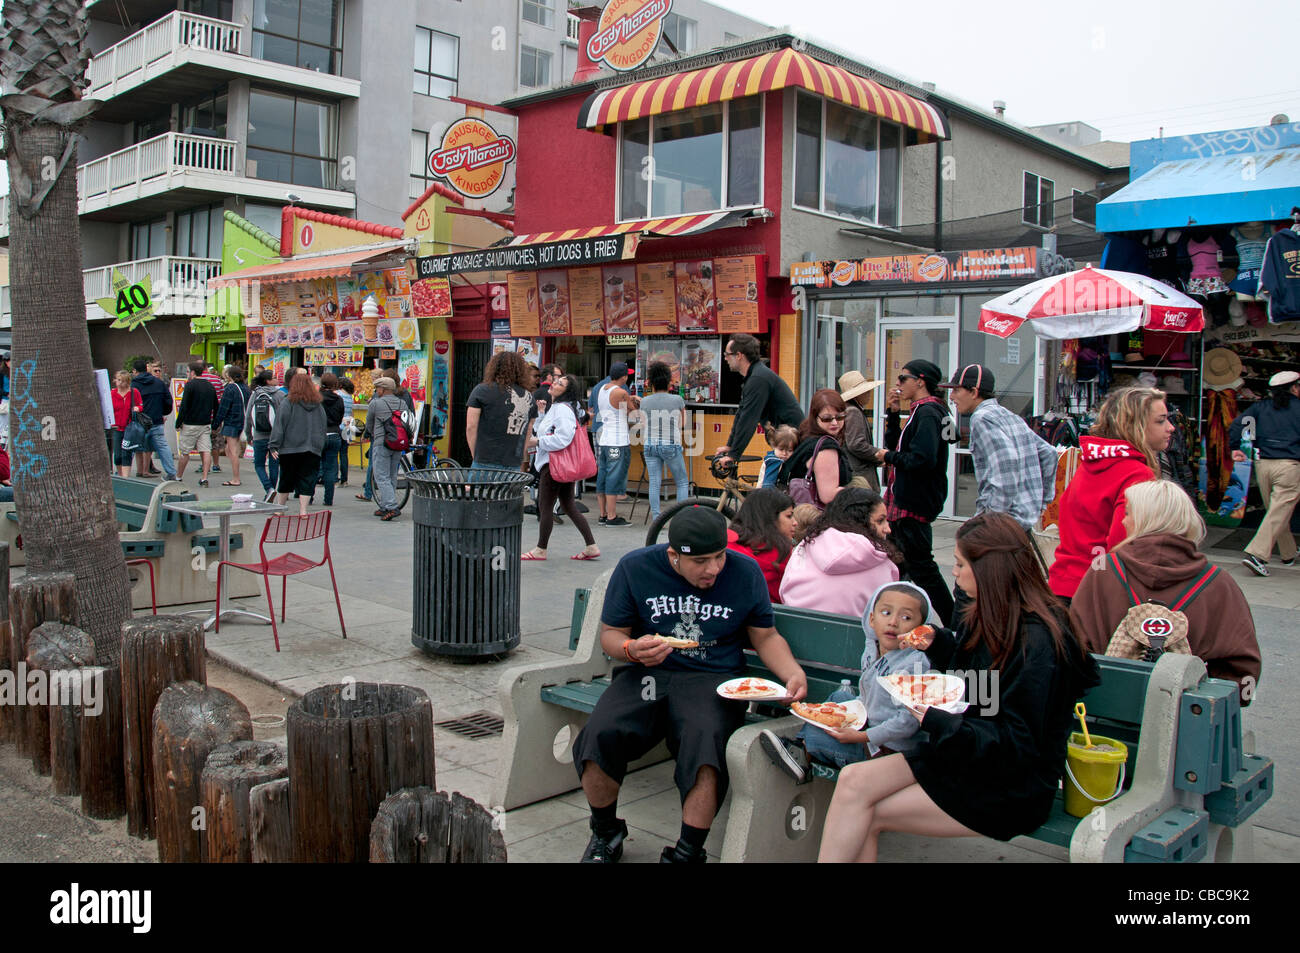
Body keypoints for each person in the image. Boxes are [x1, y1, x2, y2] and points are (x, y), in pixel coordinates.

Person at [817, 512, 1099, 862]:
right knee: (853, 782)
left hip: (1009, 784)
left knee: (866, 810)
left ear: (989, 571)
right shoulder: (989, 613)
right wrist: (939, 644)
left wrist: (933, 718)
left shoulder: (1038, 642)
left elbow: (1017, 743)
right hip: (965, 754)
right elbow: (981, 687)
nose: (954, 571)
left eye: (962, 565)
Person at [574, 506, 808, 863]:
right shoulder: (636, 568)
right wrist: (631, 649)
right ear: (674, 556)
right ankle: (606, 831)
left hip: (713, 679)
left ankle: (688, 851)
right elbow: (612, 636)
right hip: (646, 674)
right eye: (700, 561)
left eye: (719, 556)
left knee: (705, 747)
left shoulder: (744, 573)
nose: (713, 569)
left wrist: (791, 672)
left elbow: (766, 636)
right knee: (598, 736)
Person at [1071, 481, 1261, 704]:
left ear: (1145, 520)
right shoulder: (1218, 584)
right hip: (1186, 722)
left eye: (1128, 513)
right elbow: (1242, 671)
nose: (1123, 520)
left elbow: (1074, 649)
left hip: (1105, 714)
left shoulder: (1103, 570)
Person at [761, 582, 933, 783]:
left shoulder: (914, 664)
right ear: (871, 619)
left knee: (818, 737)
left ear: (920, 630)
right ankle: (803, 745)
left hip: (888, 750)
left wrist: (862, 737)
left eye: (906, 618)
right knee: (838, 698)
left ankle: (803, 754)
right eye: (886, 613)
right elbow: (868, 693)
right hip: (869, 721)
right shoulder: (873, 649)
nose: (893, 622)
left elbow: (908, 722)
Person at [1049, 386, 1174, 602]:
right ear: (1137, 425)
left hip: (1064, 584)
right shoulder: (1135, 473)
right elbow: (1125, 545)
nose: (1171, 428)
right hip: (1100, 594)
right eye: (1160, 420)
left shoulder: (1090, 463)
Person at [873, 359, 956, 626]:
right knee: (901, 565)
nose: (897, 384)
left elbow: (923, 459)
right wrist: (893, 413)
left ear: (920, 381)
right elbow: (901, 446)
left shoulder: (929, 412)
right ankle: (901, 617)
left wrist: (889, 456)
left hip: (913, 503)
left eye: (902, 378)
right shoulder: (925, 411)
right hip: (909, 500)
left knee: (921, 567)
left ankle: (955, 624)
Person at [940, 364, 1058, 532]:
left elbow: (1006, 467)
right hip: (1022, 521)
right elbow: (1049, 453)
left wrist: (991, 522)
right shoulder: (1009, 415)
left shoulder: (981, 418)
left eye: (956, 390)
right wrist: (1040, 502)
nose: (951, 397)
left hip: (1004, 524)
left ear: (974, 392)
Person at [779, 487, 901, 617]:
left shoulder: (804, 546)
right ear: (860, 520)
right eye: (880, 520)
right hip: (856, 635)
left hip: (796, 630)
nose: (888, 529)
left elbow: (784, 592)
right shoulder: (884, 565)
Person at [522, 374, 599, 561]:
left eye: (560, 383)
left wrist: (537, 441)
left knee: (545, 506)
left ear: (566, 391)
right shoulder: (556, 408)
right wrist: (541, 415)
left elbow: (564, 437)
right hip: (560, 464)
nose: (554, 384)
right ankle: (591, 546)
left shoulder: (562, 410)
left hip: (554, 464)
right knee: (568, 505)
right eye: (556, 381)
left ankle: (541, 549)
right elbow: (547, 430)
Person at [1232, 370, 1300, 576]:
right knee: (1279, 510)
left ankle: (1288, 554)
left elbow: (1240, 424)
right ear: (1295, 388)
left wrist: (1237, 446)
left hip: (1263, 464)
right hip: (1289, 465)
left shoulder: (1259, 408)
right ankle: (1257, 555)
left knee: (1276, 510)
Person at [717, 333, 803, 465]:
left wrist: (734, 455)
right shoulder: (755, 375)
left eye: (727, 354)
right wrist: (731, 446)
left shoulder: (758, 379)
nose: (725, 358)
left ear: (739, 355)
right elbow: (741, 413)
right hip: (786, 441)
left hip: (792, 443)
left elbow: (749, 418)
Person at [777, 389, 851, 508]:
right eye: (827, 418)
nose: (834, 423)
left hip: (795, 511)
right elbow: (828, 496)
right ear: (815, 417)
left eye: (840, 417)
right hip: (817, 517)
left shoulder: (806, 434)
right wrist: (856, 493)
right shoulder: (826, 448)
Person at [466, 351, 536, 472]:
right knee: (507, 492)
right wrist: (519, 456)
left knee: (480, 492)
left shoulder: (481, 390)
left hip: (484, 461)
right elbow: (529, 430)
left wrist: (475, 455)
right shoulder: (529, 397)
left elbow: (471, 427)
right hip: (513, 464)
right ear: (520, 371)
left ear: (493, 367)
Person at [269, 370, 326, 517]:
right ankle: (303, 510)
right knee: (307, 479)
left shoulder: (288, 401)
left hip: (290, 447)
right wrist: (320, 445)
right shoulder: (318, 405)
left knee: (286, 477)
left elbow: (280, 424)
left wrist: (274, 444)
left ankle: (280, 508)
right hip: (312, 448)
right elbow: (322, 426)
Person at [726, 487, 795, 604]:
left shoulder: (724, 546)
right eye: (789, 516)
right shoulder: (782, 553)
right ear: (771, 518)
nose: (795, 522)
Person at [640, 360, 689, 521]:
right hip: (670, 443)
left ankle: (656, 518)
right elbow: (683, 423)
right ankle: (680, 517)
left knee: (654, 482)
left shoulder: (645, 402)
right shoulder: (677, 400)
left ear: (651, 382)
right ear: (669, 382)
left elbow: (643, 424)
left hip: (650, 444)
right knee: (681, 482)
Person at [595, 362, 639, 526]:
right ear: (624, 377)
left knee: (603, 475)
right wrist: (636, 400)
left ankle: (603, 514)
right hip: (618, 440)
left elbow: (618, 408)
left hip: (604, 438)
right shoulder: (621, 392)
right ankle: (612, 517)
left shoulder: (603, 389)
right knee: (614, 476)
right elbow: (634, 414)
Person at [365, 377, 406, 521]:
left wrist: (372, 434)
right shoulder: (402, 403)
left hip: (381, 443)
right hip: (397, 443)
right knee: (391, 475)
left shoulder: (376, 404)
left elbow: (369, 424)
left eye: (377, 389)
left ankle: (391, 506)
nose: (377, 391)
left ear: (382, 389)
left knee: (381, 476)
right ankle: (384, 506)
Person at [838, 370, 885, 490]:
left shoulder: (851, 409)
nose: (869, 393)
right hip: (860, 476)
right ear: (856, 395)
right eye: (865, 391)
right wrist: (879, 455)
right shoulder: (853, 412)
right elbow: (856, 444)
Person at [130, 358, 175, 480]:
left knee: (134, 446)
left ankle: (128, 471)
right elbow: (168, 401)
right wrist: (162, 412)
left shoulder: (134, 385)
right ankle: (171, 472)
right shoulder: (158, 383)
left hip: (140, 422)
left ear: (135, 371)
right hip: (156, 420)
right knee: (162, 446)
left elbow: (131, 404)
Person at [175, 361, 217, 486]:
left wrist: (178, 422)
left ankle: (178, 476)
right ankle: (204, 477)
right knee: (205, 450)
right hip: (205, 423)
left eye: (188, 372)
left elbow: (184, 406)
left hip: (190, 423)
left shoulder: (190, 385)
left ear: (193, 372)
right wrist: (215, 423)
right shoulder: (210, 386)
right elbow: (216, 406)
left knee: (185, 452)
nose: (187, 374)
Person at [246, 370, 285, 499]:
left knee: (259, 465)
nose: (277, 379)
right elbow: (284, 417)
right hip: (275, 437)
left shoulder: (255, 394)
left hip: (259, 436)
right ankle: (271, 490)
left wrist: (248, 435)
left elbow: (248, 416)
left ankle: (269, 489)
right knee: (274, 466)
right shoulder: (280, 395)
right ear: (268, 381)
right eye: (274, 378)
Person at [213, 365, 249, 486]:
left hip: (232, 422)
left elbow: (223, 408)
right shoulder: (245, 388)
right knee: (232, 449)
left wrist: (215, 424)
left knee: (233, 451)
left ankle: (236, 478)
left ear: (228, 375)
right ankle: (236, 477)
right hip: (243, 421)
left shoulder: (230, 388)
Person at [317, 374, 346, 506]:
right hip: (334, 433)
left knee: (314, 467)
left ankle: (308, 496)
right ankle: (328, 499)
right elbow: (340, 417)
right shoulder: (339, 399)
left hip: (319, 434)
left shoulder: (316, 398)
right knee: (331, 468)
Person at [109, 370, 142, 477]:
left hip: (129, 427)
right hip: (116, 427)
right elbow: (108, 410)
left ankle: (125, 476)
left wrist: (138, 408)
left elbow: (141, 405)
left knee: (126, 453)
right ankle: (120, 474)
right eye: (118, 380)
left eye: (122, 381)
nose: (119, 383)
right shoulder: (112, 393)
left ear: (127, 382)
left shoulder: (134, 392)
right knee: (117, 455)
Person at [337, 376, 356, 486]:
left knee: (335, 454)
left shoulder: (338, 395)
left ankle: (336, 477)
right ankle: (345, 479)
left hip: (340, 425)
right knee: (344, 454)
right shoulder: (350, 397)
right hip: (349, 427)